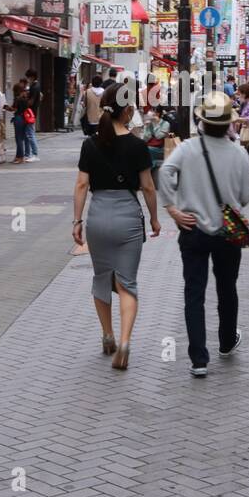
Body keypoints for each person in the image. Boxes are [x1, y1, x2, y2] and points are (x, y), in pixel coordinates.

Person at [160, 91, 249, 378]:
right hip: (227, 232)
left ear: (200, 121)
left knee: (194, 293)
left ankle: (199, 358)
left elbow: (165, 172)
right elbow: (246, 196)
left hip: (193, 229)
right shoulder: (238, 153)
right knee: (227, 288)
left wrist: (173, 209)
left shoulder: (188, 148)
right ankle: (226, 341)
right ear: (228, 123)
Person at [72, 84, 160, 370]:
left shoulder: (90, 144)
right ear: (129, 110)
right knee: (127, 284)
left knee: (101, 278)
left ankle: (107, 335)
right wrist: (155, 219)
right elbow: (148, 187)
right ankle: (124, 341)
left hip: (98, 217)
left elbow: (82, 184)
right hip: (127, 218)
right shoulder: (137, 146)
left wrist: (77, 221)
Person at [141, 103, 172, 182]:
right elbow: (145, 139)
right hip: (151, 148)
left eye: (153, 112)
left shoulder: (166, 124)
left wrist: (155, 124)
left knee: (147, 150)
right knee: (143, 149)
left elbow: (158, 136)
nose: (151, 113)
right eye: (151, 111)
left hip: (161, 149)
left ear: (158, 113)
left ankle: (146, 178)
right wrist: (146, 127)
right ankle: (145, 176)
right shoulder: (149, 123)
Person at [10, 81, 31, 164]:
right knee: (21, 138)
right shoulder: (25, 98)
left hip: (18, 118)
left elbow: (14, 109)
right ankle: (18, 156)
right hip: (25, 118)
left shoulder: (17, 99)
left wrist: (6, 107)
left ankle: (20, 157)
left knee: (18, 138)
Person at [23, 68, 42, 161]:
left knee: (30, 134)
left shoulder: (34, 86)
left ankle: (34, 154)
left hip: (30, 113)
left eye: (28, 77)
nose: (27, 79)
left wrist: (23, 102)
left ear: (32, 77)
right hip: (32, 112)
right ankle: (28, 154)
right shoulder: (35, 86)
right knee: (29, 133)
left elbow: (31, 101)